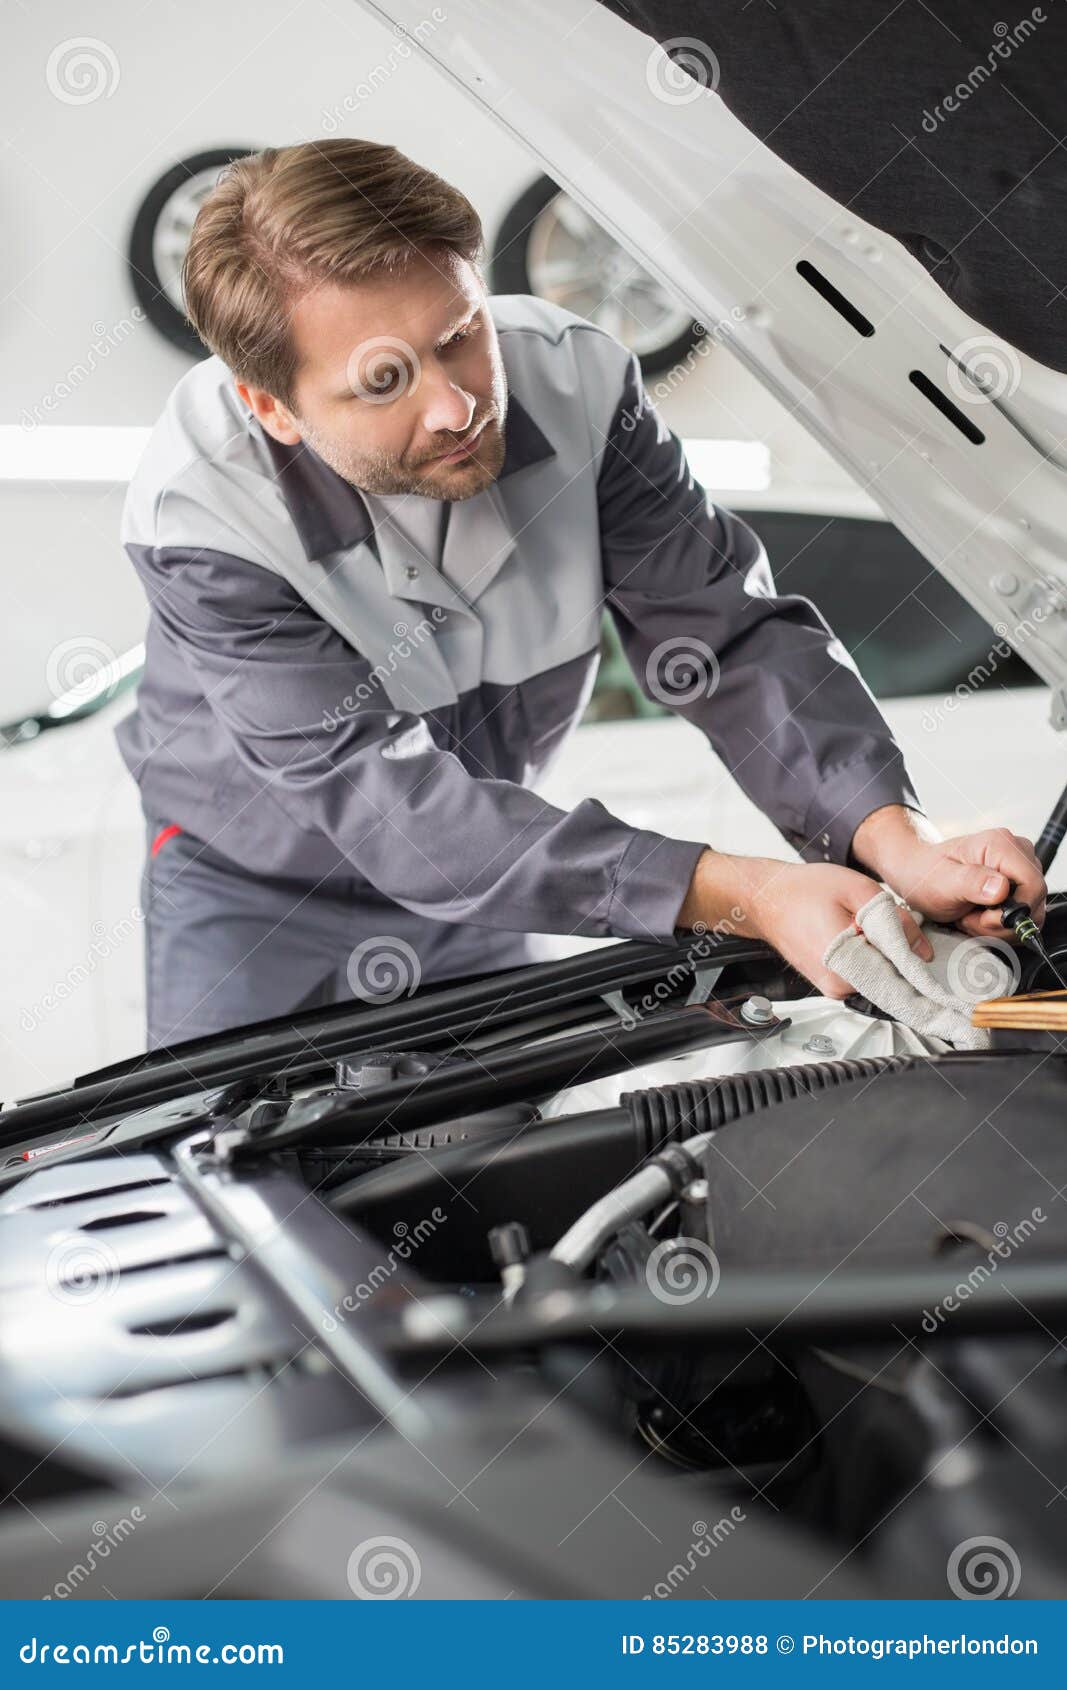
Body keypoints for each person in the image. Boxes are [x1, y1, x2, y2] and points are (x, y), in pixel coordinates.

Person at [117, 139, 1046, 1047]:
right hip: (250, 897)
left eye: (460, 336)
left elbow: (726, 640)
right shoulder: (200, 510)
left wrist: (893, 837)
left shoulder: (580, 384)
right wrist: (750, 895)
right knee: (234, 1177)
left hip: (492, 870)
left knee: (505, 1173)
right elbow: (385, 810)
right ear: (270, 406)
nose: (454, 405)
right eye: (385, 381)